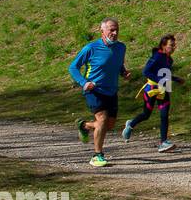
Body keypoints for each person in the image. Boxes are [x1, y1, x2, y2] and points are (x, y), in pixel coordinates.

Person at [69, 19, 131, 168]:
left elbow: (118, 64)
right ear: (102, 30)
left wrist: (124, 73)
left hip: (112, 90)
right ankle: (97, 156)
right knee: (102, 120)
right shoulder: (91, 48)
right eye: (111, 30)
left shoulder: (121, 47)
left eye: (117, 30)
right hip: (94, 90)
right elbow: (73, 67)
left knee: (108, 125)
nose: (115, 33)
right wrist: (84, 83)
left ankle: (84, 126)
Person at [122, 34, 184, 153]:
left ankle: (163, 142)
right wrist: (160, 80)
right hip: (151, 89)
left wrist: (176, 79)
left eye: (174, 45)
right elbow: (146, 71)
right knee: (146, 114)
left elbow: (165, 74)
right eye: (171, 45)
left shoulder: (169, 60)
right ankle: (131, 124)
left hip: (164, 89)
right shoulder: (157, 56)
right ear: (163, 46)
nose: (174, 47)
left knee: (164, 115)